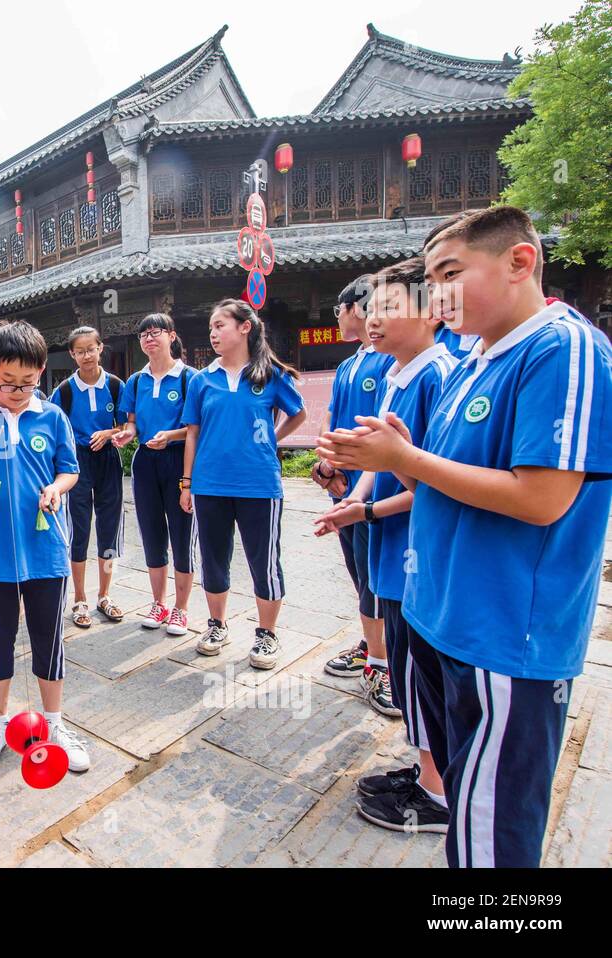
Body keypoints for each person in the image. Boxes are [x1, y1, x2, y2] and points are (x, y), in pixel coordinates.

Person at [318, 205, 612, 867]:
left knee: (492, 839)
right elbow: (433, 479)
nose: (437, 293)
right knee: (466, 811)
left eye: (449, 273)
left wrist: (403, 461)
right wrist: (377, 471)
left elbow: (541, 498)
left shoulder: (562, 349)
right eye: (429, 278)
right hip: (443, 617)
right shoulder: (476, 359)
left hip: (505, 635)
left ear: (519, 261)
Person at [314, 257, 454, 833]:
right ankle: (426, 770)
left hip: (414, 545)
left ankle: (438, 790)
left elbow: (433, 480)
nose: (373, 320)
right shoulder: (398, 374)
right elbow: (380, 459)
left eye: (388, 308)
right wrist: (357, 501)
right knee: (405, 662)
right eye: (370, 308)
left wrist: (367, 507)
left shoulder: (435, 375)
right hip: (388, 539)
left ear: (433, 312)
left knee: (421, 667)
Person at [0, 320, 89, 773]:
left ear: (41, 373)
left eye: (28, 383)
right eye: (8, 383)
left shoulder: (52, 416)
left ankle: (55, 723)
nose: (18, 391)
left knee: (50, 639)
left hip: (46, 549)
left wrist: (56, 488)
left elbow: (70, 469)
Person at [180, 299, 307, 669]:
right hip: (209, 485)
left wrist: (272, 439)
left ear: (245, 327)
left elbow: (299, 413)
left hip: (259, 485)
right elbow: (192, 434)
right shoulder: (203, 380)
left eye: (220, 325)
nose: (213, 333)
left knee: (263, 562)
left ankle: (266, 634)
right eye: (211, 328)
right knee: (213, 559)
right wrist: (186, 483)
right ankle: (217, 624)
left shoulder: (270, 375)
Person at [311, 273, 395, 715]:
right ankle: (372, 646)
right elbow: (329, 418)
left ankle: (384, 664)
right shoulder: (350, 363)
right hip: (342, 486)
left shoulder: (388, 361)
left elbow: (384, 427)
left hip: (373, 488)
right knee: (359, 574)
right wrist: (326, 465)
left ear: (358, 307)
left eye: (339, 310)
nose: (338, 318)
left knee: (376, 577)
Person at [113, 315, 196, 635]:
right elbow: (131, 422)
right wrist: (128, 434)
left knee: (182, 535)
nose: (149, 339)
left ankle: (181, 608)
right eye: (143, 335)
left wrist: (170, 436)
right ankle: (159, 603)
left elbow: (194, 428)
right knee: (152, 534)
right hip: (146, 462)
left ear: (171, 336)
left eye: (155, 333)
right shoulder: (136, 381)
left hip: (179, 461)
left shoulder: (190, 378)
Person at [51, 326, 127, 629]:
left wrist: (110, 433)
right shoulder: (65, 391)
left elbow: (127, 424)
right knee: (78, 532)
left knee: (109, 530)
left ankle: (105, 595)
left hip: (108, 459)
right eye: (79, 351)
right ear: (72, 354)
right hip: (77, 464)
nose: (86, 355)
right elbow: (55, 430)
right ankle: (79, 598)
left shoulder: (116, 386)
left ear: (100, 348)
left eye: (90, 349)